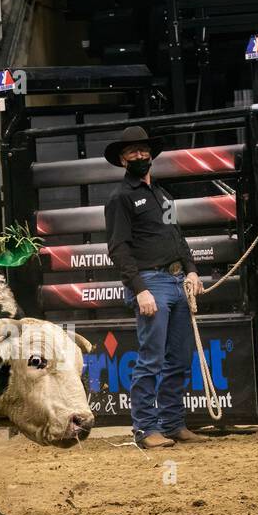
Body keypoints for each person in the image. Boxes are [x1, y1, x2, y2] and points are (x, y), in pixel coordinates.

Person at [100, 126, 200, 449]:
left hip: (176, 281)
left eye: (143, 150)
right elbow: (118, 248)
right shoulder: (120, 198)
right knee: (151, 359)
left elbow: (178, 238)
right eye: (132, 152)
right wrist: (140, 288)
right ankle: (145, 429)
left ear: (150, 154)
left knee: (180, 358)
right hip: (151, 282)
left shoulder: (163, 194)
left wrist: (192, 271)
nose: (140, 155)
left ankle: (172, 423)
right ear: (122, 159)